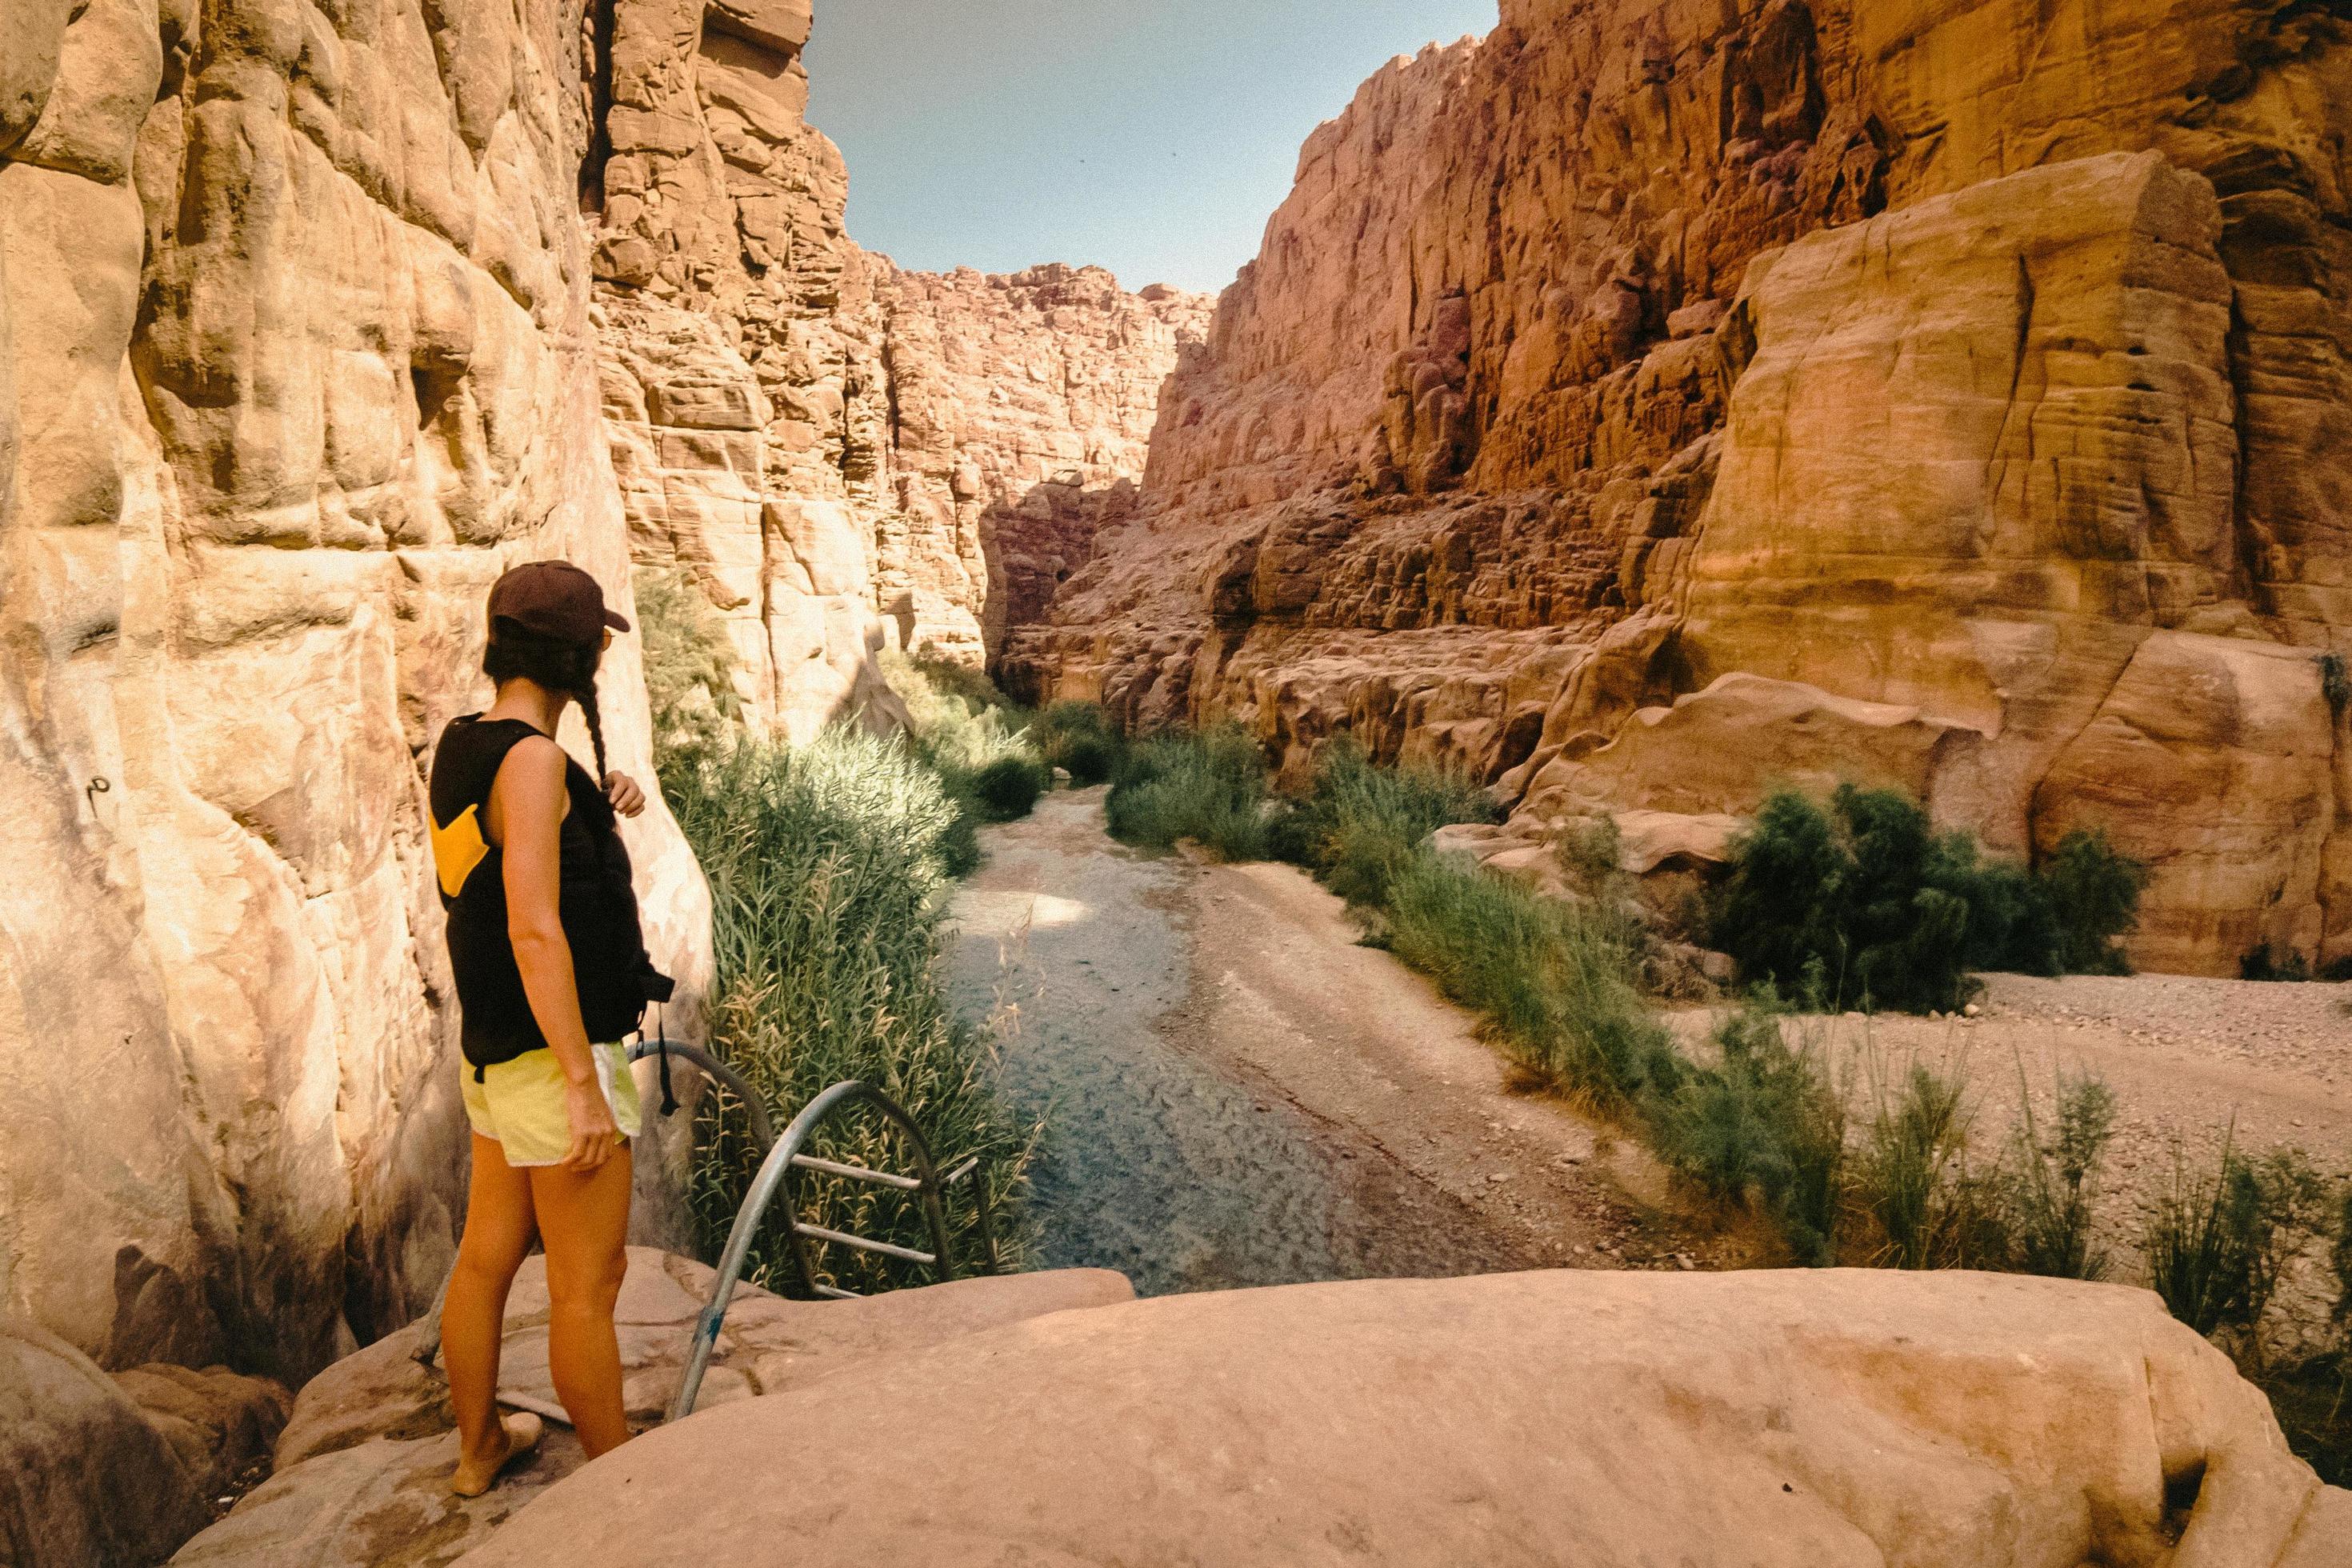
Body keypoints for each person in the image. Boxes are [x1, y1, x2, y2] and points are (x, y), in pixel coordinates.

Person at [426, 560, 673, 1496]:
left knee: (488, 1255)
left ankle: (479, 1447)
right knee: (587, 1284)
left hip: (493, 1056)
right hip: (544, 1060)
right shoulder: (532, 764)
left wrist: (583, 806)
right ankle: (621, 1493)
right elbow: (533, 928)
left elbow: (485, 873)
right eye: (597, 640)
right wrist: (580, 1081)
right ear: (579, 653)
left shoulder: (472, 742)